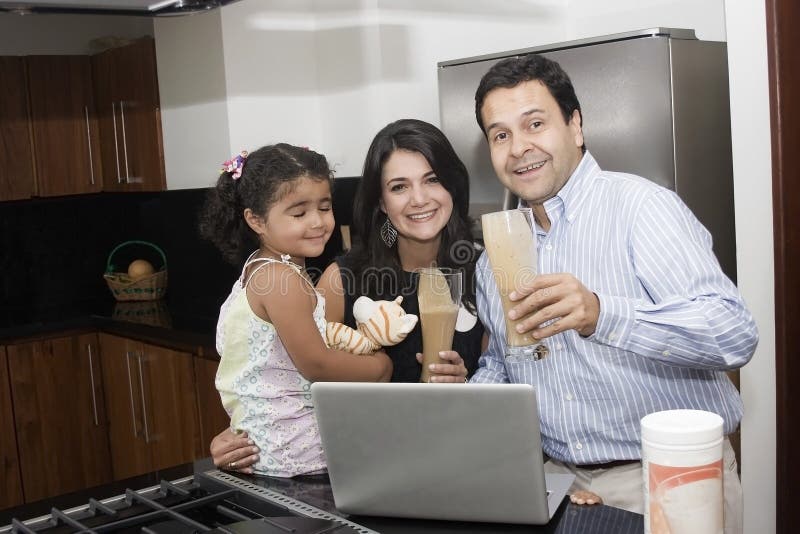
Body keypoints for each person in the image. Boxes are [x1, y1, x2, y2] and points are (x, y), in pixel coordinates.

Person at [470, 53, 757, 530]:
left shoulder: (642, 209)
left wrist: (601, 314)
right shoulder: (494, 255)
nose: (519, 147)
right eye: (500, 135)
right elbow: (503, 361)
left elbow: (733, 333)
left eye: (535, 123)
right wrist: (464, 404)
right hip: (556, 483)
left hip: (665, 478)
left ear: (575, 125)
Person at [209, 120, 484, 473]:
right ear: (381, 202)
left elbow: (513, 379)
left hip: (466, 461)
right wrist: (241, 434)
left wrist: (469, 387)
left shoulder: (485, 269)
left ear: (453, 185)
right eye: (399, 186)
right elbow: (290, 376)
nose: (419, 199)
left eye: (432, 179)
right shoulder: (342, 278)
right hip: (374, 469)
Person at [199, 143, 393, 477]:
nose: (318, 222)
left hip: (273, 448)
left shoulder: (268, 268)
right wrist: (379, 366)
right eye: (299, 213)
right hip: (295, 455)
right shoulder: (278, 279)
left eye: (325, 206)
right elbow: (316, 363)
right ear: (256, 220)